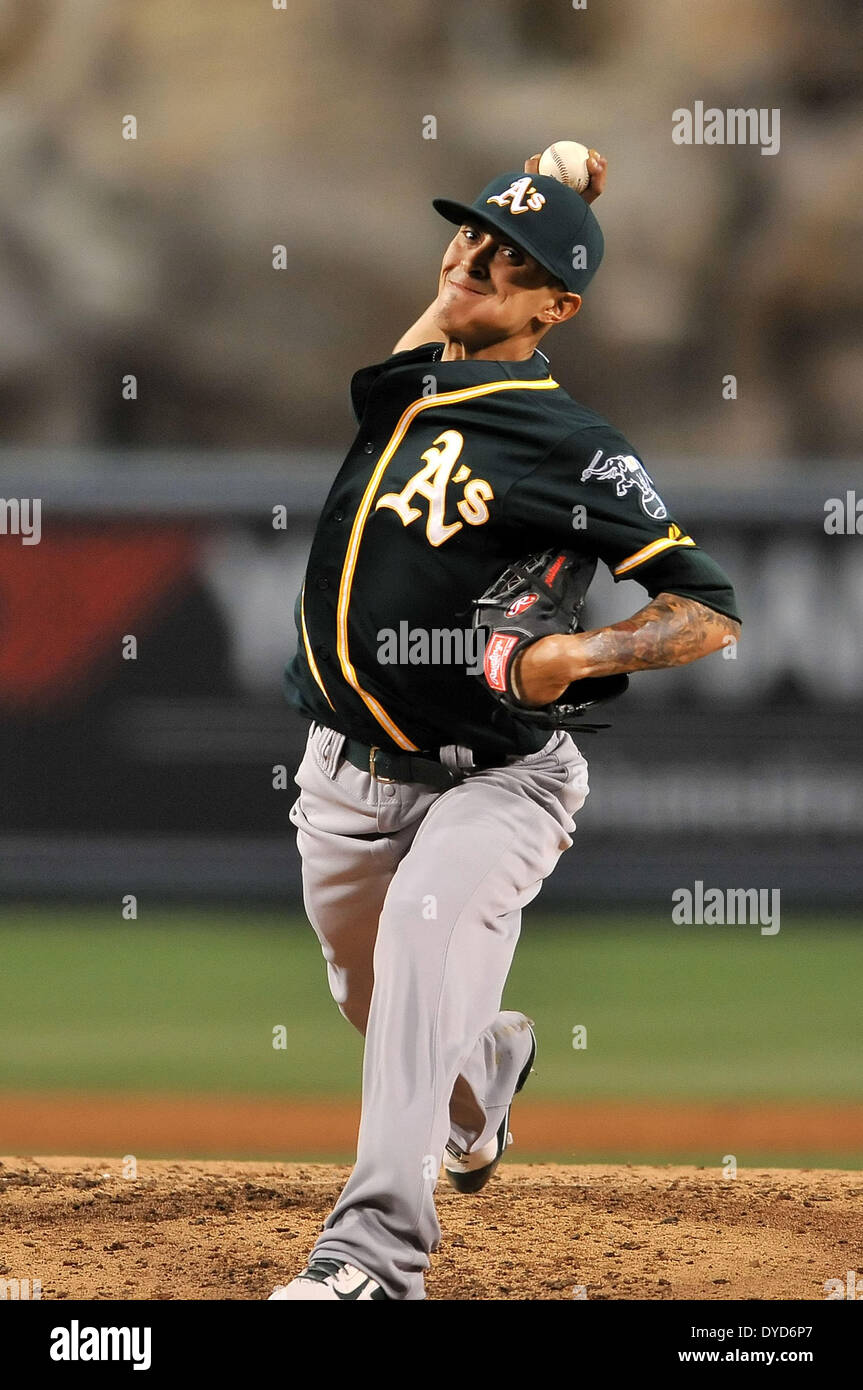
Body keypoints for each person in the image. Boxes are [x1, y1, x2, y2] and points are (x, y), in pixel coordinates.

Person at [270, 152, 741, 1301]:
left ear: (556, 310)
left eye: (509, 260)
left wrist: (575, 655)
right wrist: (531, 187)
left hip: (495, 776)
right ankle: (487, 1069)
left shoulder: (568, 443)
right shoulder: (414, 385)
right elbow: (443, 305)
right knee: (378, 1000)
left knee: (427, 937)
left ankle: (373, 1259)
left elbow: (706, 609)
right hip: (341, 778)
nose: (471, 259)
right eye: (466, 238)